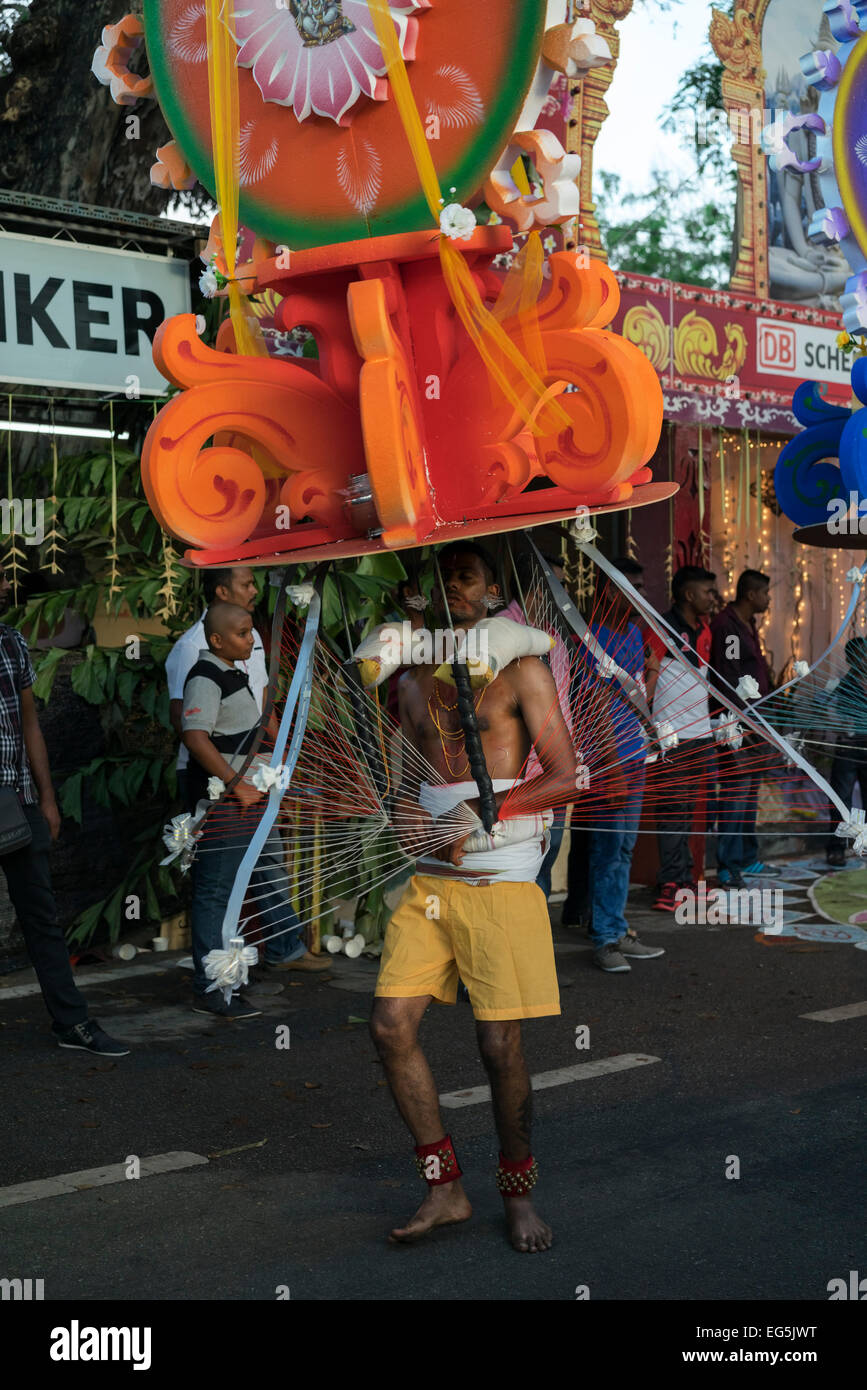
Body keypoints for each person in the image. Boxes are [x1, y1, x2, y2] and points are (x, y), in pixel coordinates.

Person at [369, 542, 577, 1253]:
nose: (451, 586)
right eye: (439, 577)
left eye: (465, 576)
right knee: (390, 1027)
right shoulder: (410, 681)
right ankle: (444, 1186)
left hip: (501, 879)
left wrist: (479, 816)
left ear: (491, 592)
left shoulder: (522, 671)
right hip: (431, 881)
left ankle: (517, 1195)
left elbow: (564, 776)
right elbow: (404, 780)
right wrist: (403, 814)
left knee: (498, 1045)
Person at [0, 569, 129, 1055]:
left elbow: (31, 722)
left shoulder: (11, 642)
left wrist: (47, 797)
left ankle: (71, 1023)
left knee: (41, 916)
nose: (7, 584)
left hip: (18, 801)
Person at [182, 602, 331, 1017]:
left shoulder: (233, 672)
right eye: (243, 634)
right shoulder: (206, 676)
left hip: (254, 798)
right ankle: (211, 987)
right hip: (230, 803)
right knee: (216, 892)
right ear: (217, 640)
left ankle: (271, 954)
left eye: (251, 632)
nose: (252, 640)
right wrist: (237, 785)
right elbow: (195, 737)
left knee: (263, 874)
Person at [580, 558, 665, 972]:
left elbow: (638, 698)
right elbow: (593, 705)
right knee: (607, 849)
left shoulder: (633, 632)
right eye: (632, 586)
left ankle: (616, 928)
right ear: (609, 590)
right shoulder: (590, 636)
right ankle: (604, 939)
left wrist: (651, 670)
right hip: (606, 759)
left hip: (635, 754)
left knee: (624, 847)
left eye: (641, 585)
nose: (640, 594)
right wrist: (611, 764)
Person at [167, 567, 268, 812]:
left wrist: (274, 756)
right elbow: (185, 722)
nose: (255, 591)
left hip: (255, 772)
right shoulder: (192, 647)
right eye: (246, 585)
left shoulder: (252, 636)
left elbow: (263, 702)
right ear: (222, 591)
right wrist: (228, 777)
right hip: (220, 780)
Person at [645, 566, 717, 912]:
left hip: (700, 735)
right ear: (688, 595)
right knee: (672, 810)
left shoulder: (705, 629)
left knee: (688, 811)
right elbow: (650, 676)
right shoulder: (661, 626)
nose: (713, 598)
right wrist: (650, 726)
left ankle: (686, 878)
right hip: (672, 736)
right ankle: (669, 883)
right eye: (707, 592)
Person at [503, 551, 571, 902]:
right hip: (514, 777)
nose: (566, 597)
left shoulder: (552, 638)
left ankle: (538, 941)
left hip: (554, 772)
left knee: (546, 856)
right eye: (559, 587)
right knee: (522, 868)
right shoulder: (501, 632)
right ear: (539, 589)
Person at [710, 570, 773, 885]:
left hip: (756, 722)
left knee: (749, 794)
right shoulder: (729, 628)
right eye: (765, 593)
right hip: (739, 724)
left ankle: (748, 857)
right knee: (736, 794)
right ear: (751, 595)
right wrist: (742, 721)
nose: (768, 599)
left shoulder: (746, 625)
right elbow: (729, 675)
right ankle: (728, 864)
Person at [825, 638, 867, 866]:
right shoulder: (844, 684)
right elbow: (828, 709)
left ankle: (864, 844)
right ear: (852, 660)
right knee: (841, 800)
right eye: (861, 655)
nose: (865, 659)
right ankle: (836, 848)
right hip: (848, 749)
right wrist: (842, 726)